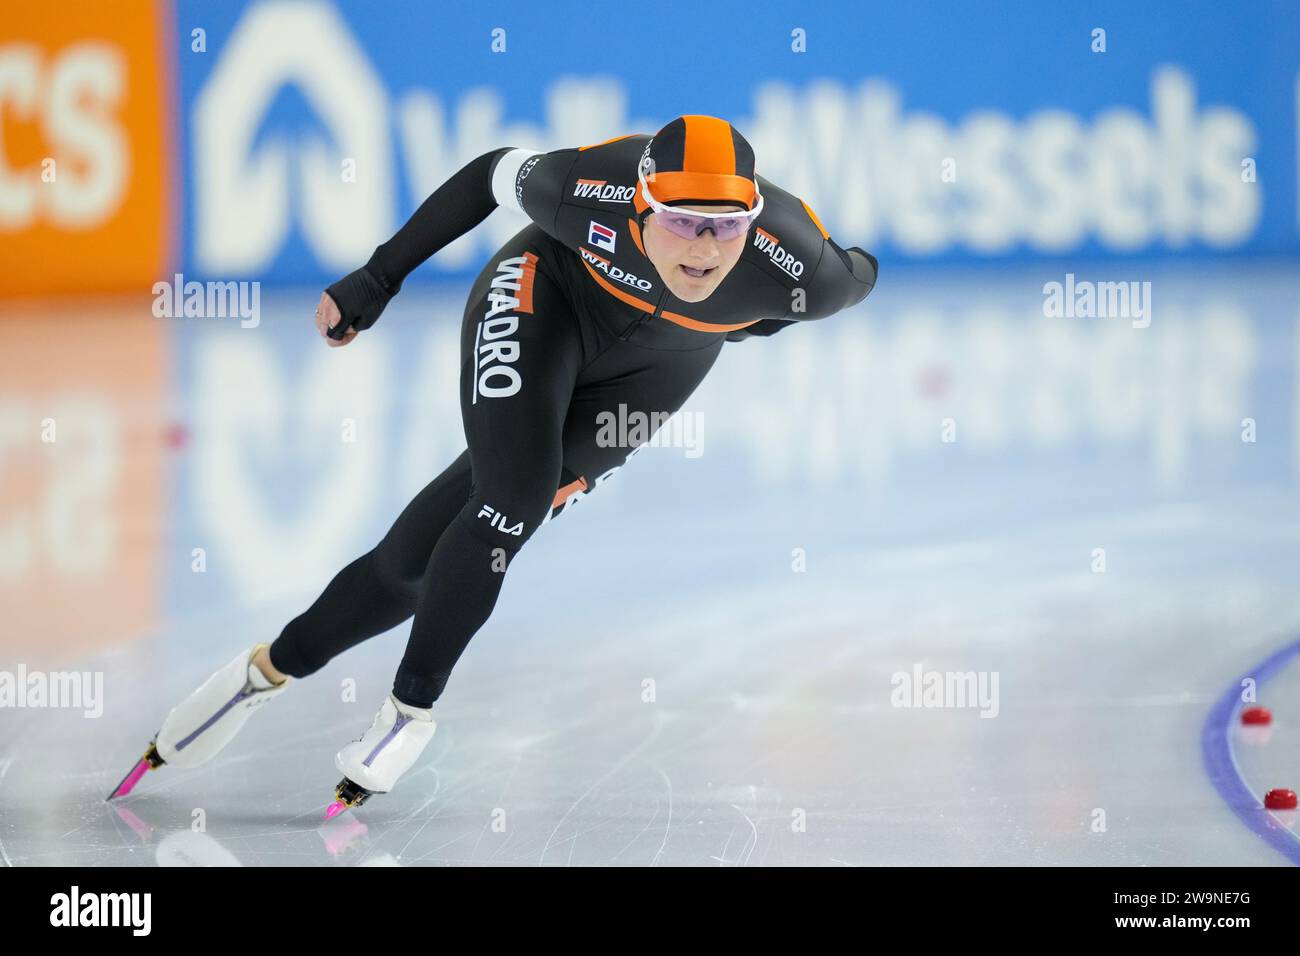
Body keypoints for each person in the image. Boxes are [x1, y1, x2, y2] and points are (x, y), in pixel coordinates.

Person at [108, 115, 878, 816]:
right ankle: (401, 710)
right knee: (510, 498)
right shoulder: (583, 190)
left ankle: (267, 670)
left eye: (725, 228)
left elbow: (860, 270)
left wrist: (763, 315)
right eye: (681, 222)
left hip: (656, 374)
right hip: (545, 301)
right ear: (639, 206)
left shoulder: (808, 274)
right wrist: (377, 280)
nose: (704, 249)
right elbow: (485, 175)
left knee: (420, 560)